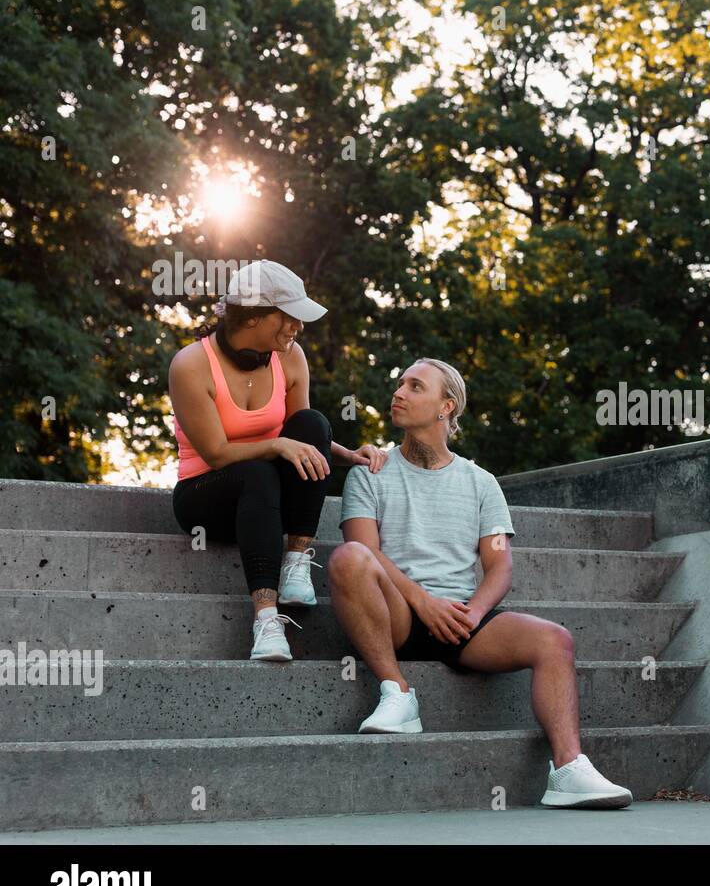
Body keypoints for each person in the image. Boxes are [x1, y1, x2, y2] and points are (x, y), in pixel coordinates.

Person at [328, 358, 633, 808]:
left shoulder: (481, 482)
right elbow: (365, 550)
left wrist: (470, 614)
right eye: (400, 384)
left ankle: (568, 770)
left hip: (459, 620)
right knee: (347, 557)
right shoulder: (369, 470)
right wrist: (422, 602)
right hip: (393, 614)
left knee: (554, 640)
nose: (399, 392)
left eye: (415, 386)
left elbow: (499, 568)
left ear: (445, 406)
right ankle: (398, 692)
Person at [168, 260, 389, 661]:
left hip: (267, 497)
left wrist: (346, 455)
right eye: (289, 317)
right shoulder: (191, 365)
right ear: (253, 317)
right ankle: (266, 621)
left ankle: (296, 562)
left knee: (313, 422)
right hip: (205, 497)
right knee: (257, 472)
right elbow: (217, 453)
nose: (297, 327)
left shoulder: (290, 356)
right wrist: (275, 447)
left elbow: (302, 435)